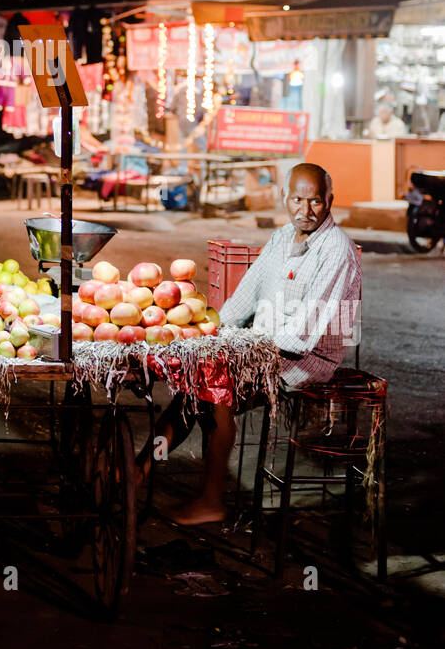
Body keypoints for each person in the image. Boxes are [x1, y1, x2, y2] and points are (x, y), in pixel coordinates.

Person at [136, 162, 361, 526]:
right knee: (196, 382)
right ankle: (140, 468)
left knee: (215, 387)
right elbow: (245, 299)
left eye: (316, 202)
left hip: (304, 359)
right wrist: (208, 332)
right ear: (283, 198)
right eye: (297, 200)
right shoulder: (281, 238)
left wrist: (240, 348)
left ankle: (210, 500)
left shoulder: (335, 250)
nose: (305, 211)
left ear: (330, 200)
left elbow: (302, 336)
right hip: (263, 345)